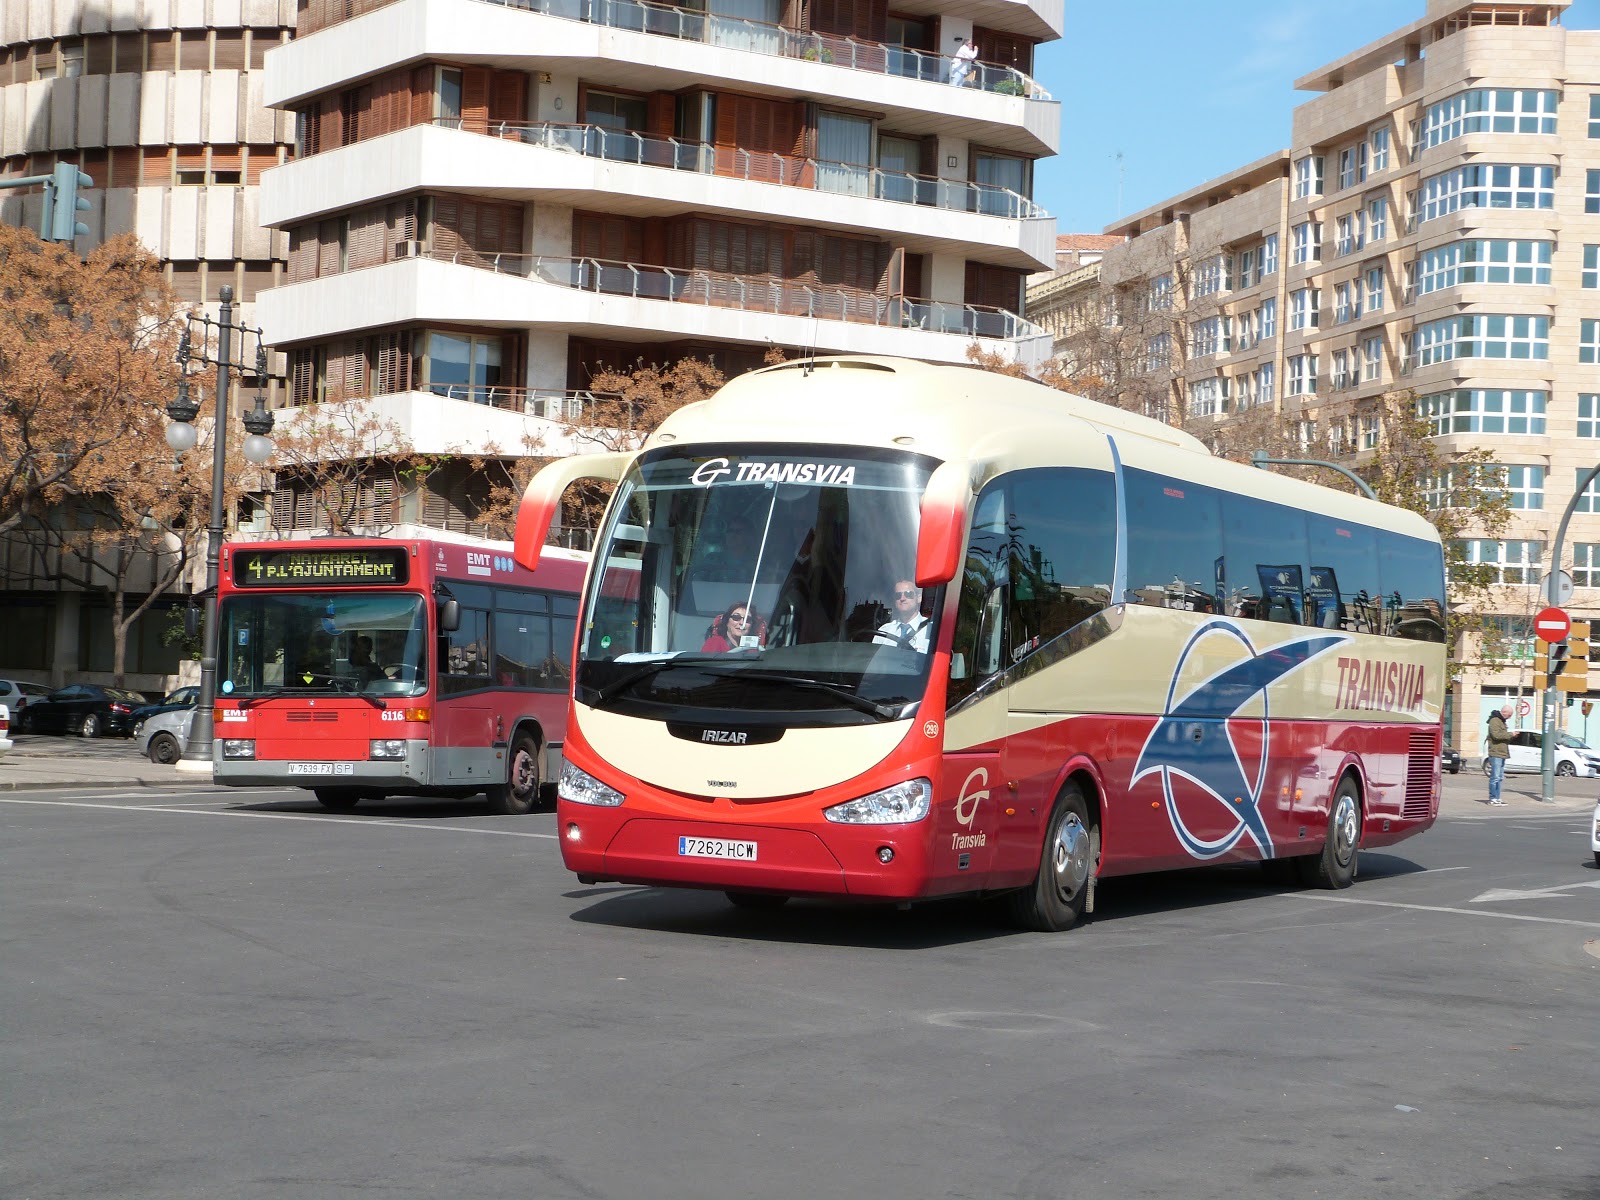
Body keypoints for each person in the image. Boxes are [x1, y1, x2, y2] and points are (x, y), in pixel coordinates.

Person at [875, 579, 930, 652]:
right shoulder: (884, 630)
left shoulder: (930, 630)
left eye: (908, 594)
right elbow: (874, 660)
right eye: (898, 595)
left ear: (919, 598)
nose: (902, 598)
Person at [1484, 704, 1513, 805]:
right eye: (1509, 715)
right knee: (1495, 777)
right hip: (1495, 752)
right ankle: (1492, 798)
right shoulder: (1495, 721)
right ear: (1504, 712)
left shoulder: (1501, 721)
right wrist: (1510, 734)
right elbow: (1496, 735)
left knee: (1500, 777)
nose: (1509, 717)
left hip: (1501, 752)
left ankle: (1497, 797)